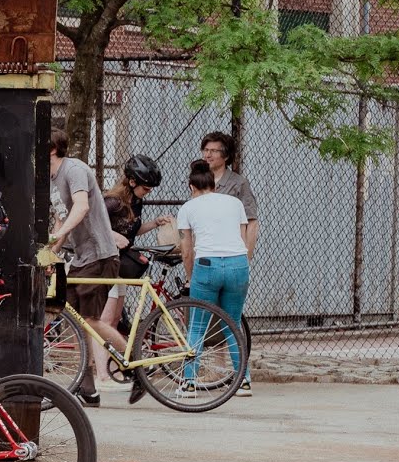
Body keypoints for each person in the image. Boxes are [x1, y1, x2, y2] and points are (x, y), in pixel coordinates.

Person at [48, 129, 121, 407]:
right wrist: (49, 253)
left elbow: (81, 207)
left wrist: (59, 234)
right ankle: (88, 390)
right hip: (82, 258)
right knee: (76, 322)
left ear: (52, 148)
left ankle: (138, 366)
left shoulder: (74, 169)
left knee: (89, 321)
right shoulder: (54, 180)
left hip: (100, 255)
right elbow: (61, 221)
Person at [175, 160, 251, 397]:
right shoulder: (235, 203)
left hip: (207, 265)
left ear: (191, 187)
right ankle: (244, 380)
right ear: (214, 184)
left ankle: (189, 382)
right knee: (232, 323)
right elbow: (242, 238)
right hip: (238, 264)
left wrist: (190, 277)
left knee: (197, 325)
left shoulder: (187, 208)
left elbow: (187, 250)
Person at [100, 155, 173, 400]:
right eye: (145, 186)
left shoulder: (136, 201)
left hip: (119, 264)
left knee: (115, 318)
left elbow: (132, 230)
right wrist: (113, 236)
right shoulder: (112, 202)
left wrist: (153, 223)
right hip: (105, 263)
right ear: (131, 182)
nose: (149, 191)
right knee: (105, 321)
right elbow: (93, 226)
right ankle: (101, 376)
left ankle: (115, 370)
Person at [199, 131, 259, 256]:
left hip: (230, 254)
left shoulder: (239, 184)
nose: (208, 155)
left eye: (214, 151)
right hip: (204, 251)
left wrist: (246, 258)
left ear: (226, 156)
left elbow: (252, 222)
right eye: (206, 150)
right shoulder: (199, 181)